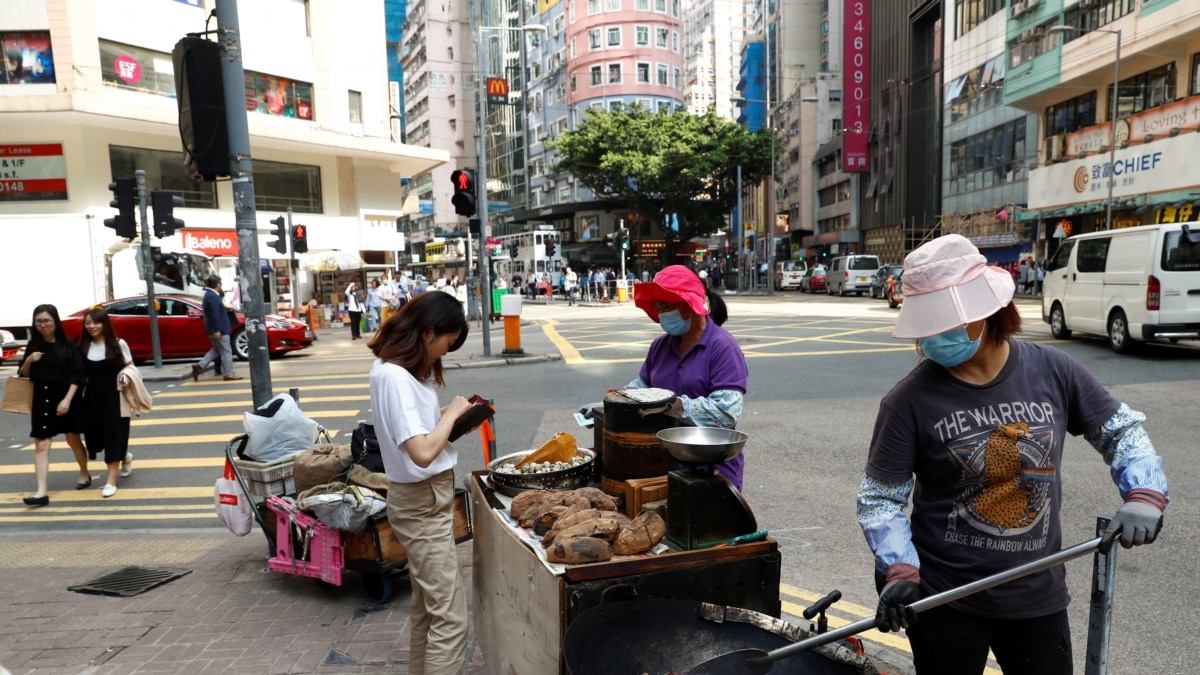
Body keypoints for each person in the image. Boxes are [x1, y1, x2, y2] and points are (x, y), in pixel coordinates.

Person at [858, 234, 1168, 675]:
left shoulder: (1053, 370)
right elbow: (880, 500)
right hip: (945, 597)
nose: (932, 336)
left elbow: (1121, 433)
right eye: (926, 325)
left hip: (1036, 593)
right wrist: (900, 570)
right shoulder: (906, 402)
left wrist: (1145, 493)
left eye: (944, 321)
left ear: (986, 312)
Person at [367, 292, 472, 675]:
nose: (446, 352)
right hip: (422, 503)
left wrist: (451, 417)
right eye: (448, 342)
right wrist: (453, 414)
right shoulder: (396, 377)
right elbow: (423, 452)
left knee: (428, 609)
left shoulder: (389, 370)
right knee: (451, 619)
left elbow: (413, 428)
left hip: (420, 500)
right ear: (428, 331)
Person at [626, 265, 748, 489]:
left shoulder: (723, 348)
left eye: (666, 307)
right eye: (658, 308)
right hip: (663, 465)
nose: (662, 314)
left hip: (712, 471)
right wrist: (617, 401)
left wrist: (675, 406)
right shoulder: (660, 346)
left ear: (688, 304)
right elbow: (641, 387)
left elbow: (726, 412)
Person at [18, 304, 90, 507]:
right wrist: (29, 360)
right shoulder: (33, 345)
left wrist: (67, 400)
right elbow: (23, 374)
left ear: (55, 322)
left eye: (47, 321)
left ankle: (84, 472)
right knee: (42, 443)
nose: (43, 325)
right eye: (38, 321)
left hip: (66, 397)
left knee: (72, 438)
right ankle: (41, 492)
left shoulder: (68, 346)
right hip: (42, 398)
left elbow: (78, 375)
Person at [76, 308, 136, 498]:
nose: (91, 326)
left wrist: (125, 376)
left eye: (96, 322)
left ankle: (111, 481)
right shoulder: (82, 346)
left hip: (115, 397)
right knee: (97, 439)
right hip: (91, 399)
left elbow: (130, 366)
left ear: (105, 324)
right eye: (88, 323)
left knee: (113, 435)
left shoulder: (118, 344)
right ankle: (124, 456)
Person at [192, 275, 241, 381]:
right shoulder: (212, 296)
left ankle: (199, 366)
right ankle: (229, 374)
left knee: (216, 350)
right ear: (218, 284)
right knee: (226, 351)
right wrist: (217, 330)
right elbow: (214, 314)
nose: (221, 285)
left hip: (214, 329)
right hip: (219, 329)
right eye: (220, 284)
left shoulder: (209, 295)